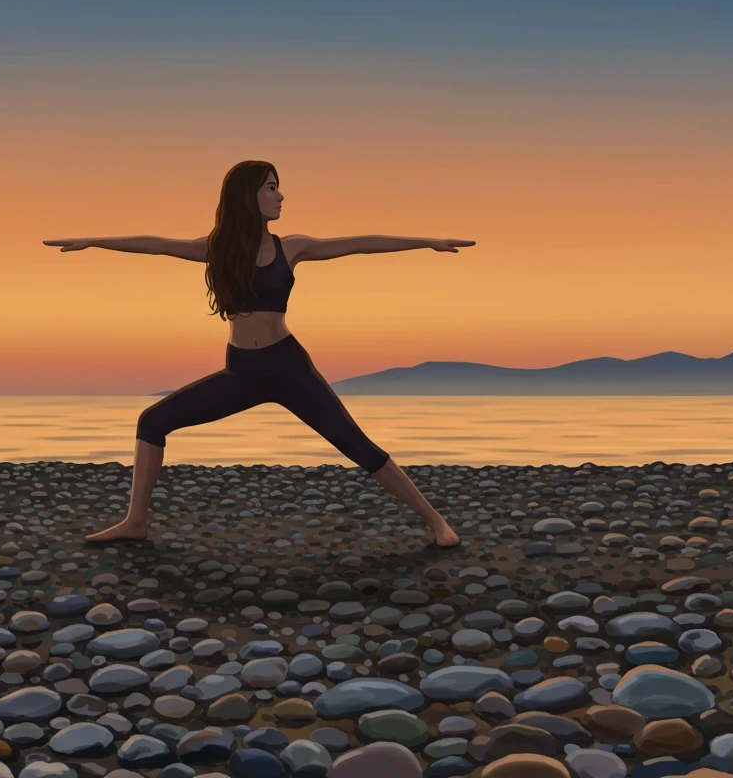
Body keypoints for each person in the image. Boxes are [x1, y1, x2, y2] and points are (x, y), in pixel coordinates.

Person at [44, 159, 474, 546]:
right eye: (271, 187)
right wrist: (94, 241)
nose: (281, 195)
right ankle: (135, 521)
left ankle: (436, 522)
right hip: (242, 371)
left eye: (278, 187)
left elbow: (360, 242)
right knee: (153, 421)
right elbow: (155, 243)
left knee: (353, 442)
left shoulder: (292, 247)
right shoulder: (218, 249)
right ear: (246, 196)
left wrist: (427, 241)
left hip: (287, 366)